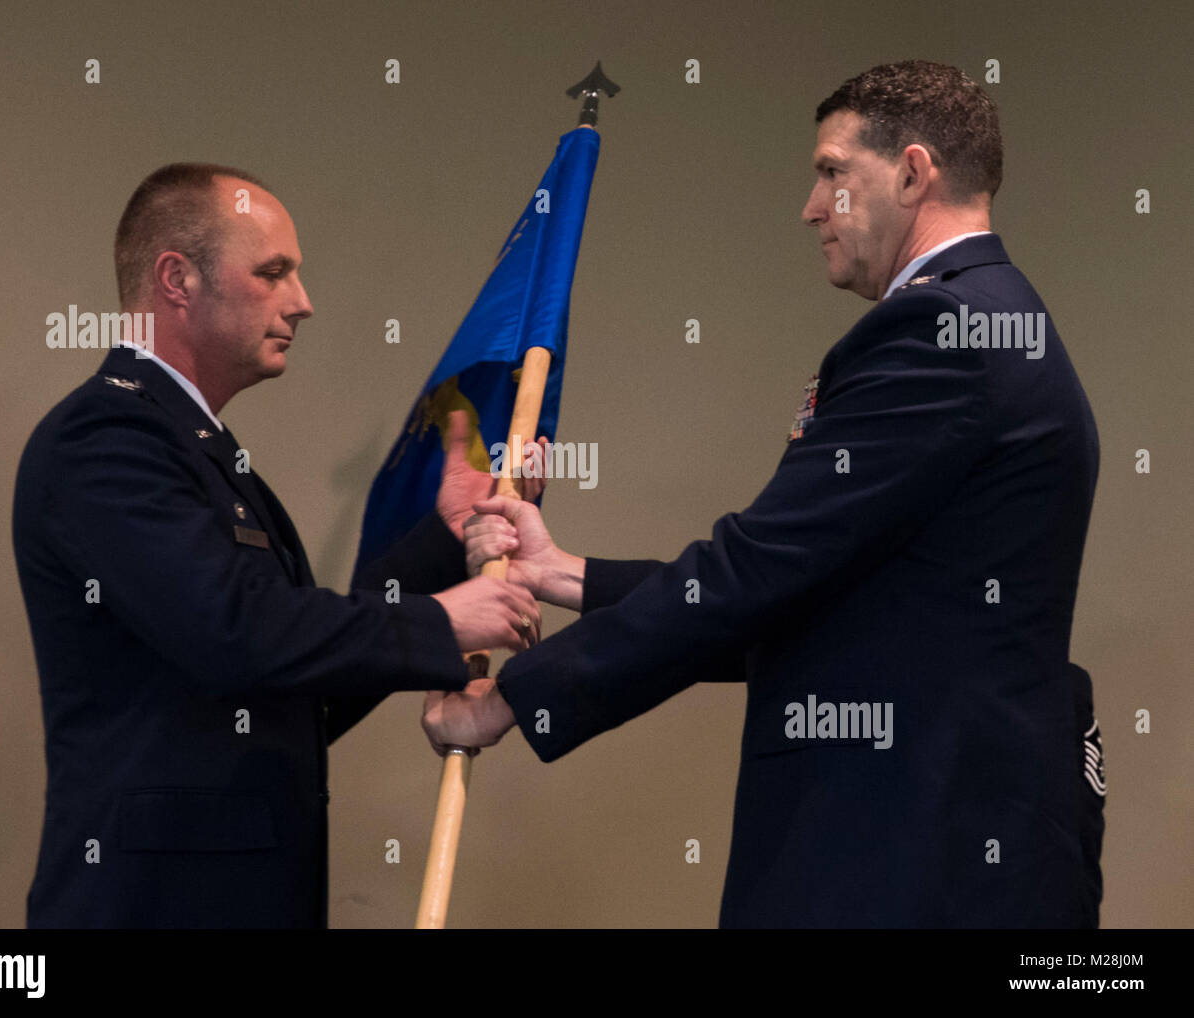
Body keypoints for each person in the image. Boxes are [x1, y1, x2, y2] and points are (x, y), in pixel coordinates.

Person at [422, 61, 1105, 928]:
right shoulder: (990, 318)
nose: (811, 207)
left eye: (832, 173)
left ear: (912, 172)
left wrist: (513, 700)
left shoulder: (942, 331)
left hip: (917, 844)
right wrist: (568, 576)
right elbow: (819, 595)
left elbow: (763, 568)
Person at [13, 162, 540, 928]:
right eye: (273, 272)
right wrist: (445, 622)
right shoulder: (105, 438)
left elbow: (290, 690)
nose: (304, 301)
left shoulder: (195, 445)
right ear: (177, 279)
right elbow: (236, 631)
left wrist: (444, 540)